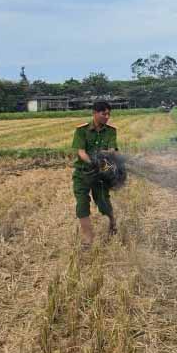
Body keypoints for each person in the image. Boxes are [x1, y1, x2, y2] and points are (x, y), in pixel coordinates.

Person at [71, 100, 118, 247]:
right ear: (95, 113)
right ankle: (88, 237)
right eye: (104, 113)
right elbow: (81, 152)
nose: (107, 116)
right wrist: (92, 162)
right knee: (82, 204)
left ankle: (112, 226)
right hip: (82, 173)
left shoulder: (111, 131)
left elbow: (111, 150)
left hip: (101, 174)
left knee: (103, 201)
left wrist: (105, 159)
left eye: (109, 114)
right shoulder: (81, 130)